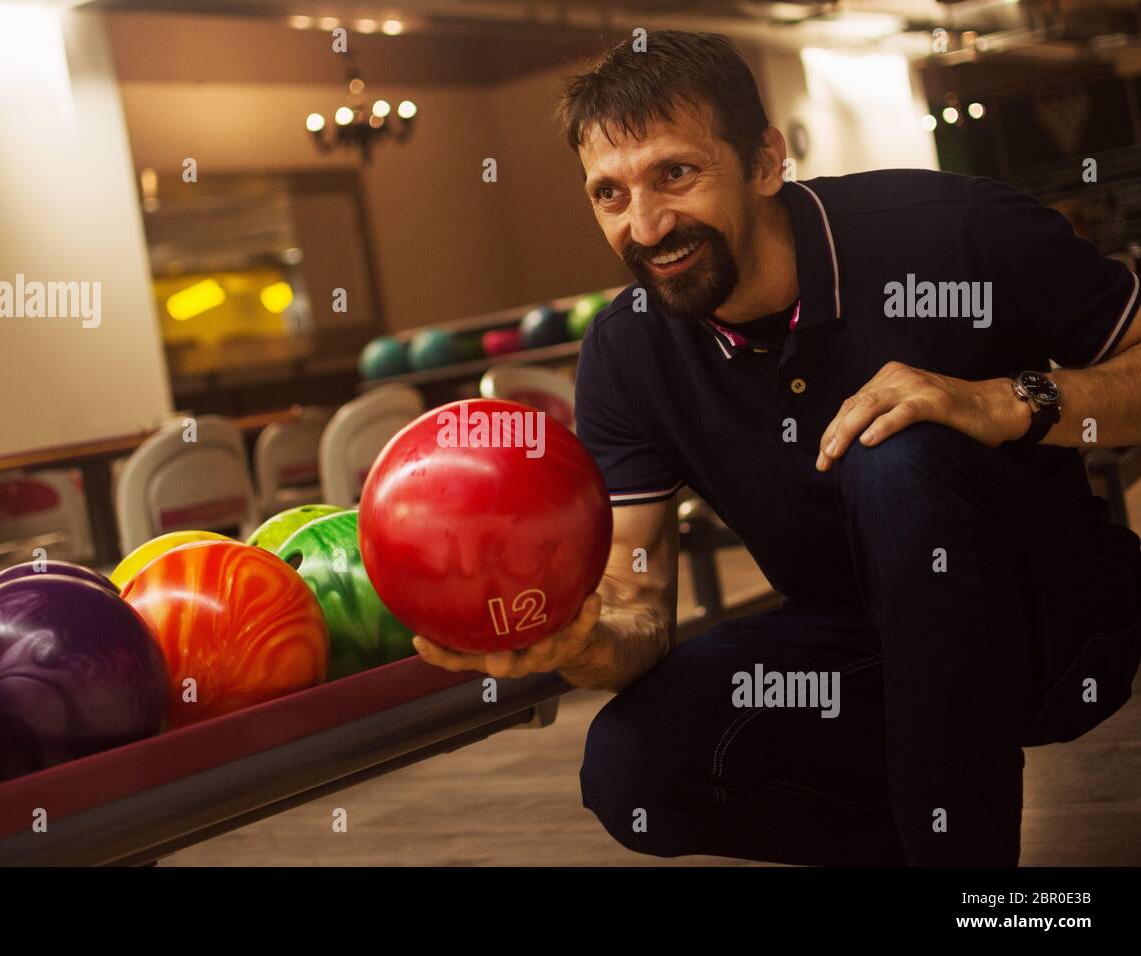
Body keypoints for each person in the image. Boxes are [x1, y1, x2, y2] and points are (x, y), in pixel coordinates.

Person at [413, 30, 1141, 866]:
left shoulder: (953, 229)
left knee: (891, 449)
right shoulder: (627, 352)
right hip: (861, 648)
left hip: (1059, 618)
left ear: (765, 162)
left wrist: (1004, 402)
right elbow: (640, 599)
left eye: (674, 175)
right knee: (636, 765)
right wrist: (587, 643)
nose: (645, 226)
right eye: (609, 194)